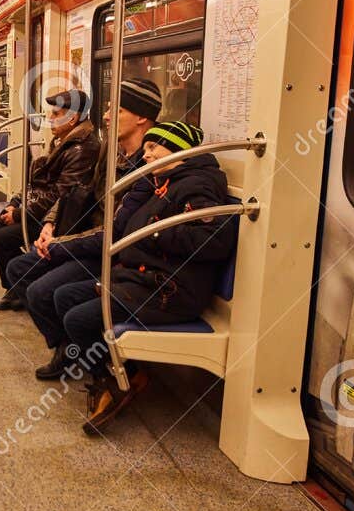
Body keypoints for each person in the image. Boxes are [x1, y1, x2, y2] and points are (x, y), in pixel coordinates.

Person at [47, 120, 235, 435]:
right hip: (141, 280)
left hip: (169, 290)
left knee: (78, 319)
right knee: (63, 297)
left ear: (178, 152)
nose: (145, 155)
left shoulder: (196, 186)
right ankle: (124, 371)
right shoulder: (162, 182)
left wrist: (156, 233)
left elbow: (214, 240)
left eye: (153, 147)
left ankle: (116, 383)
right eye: (145, 147)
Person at [0, 77, 161, 311]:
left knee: (42, 292)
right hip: (83, 233)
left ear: (141, 118)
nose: (106, 117)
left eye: (116, 110)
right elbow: (78, 190)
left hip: (108, 249)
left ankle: (65, 333)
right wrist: (51, 223)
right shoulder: (109, 149)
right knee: (18, 268)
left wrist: (60, 242)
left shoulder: (148, 165)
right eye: (107, 109)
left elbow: (115, 229)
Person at [0, 88, 98, 287]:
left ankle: (19, 286)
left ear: (72, 119)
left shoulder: (81, 149)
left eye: (56, 114)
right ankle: (18, 286)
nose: (50, 119)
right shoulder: (62, 142)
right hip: (40, 210)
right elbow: (37, 183)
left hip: (56, 219)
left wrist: (19, 215)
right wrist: (15, 203)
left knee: (1, 238)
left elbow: (60, 195)